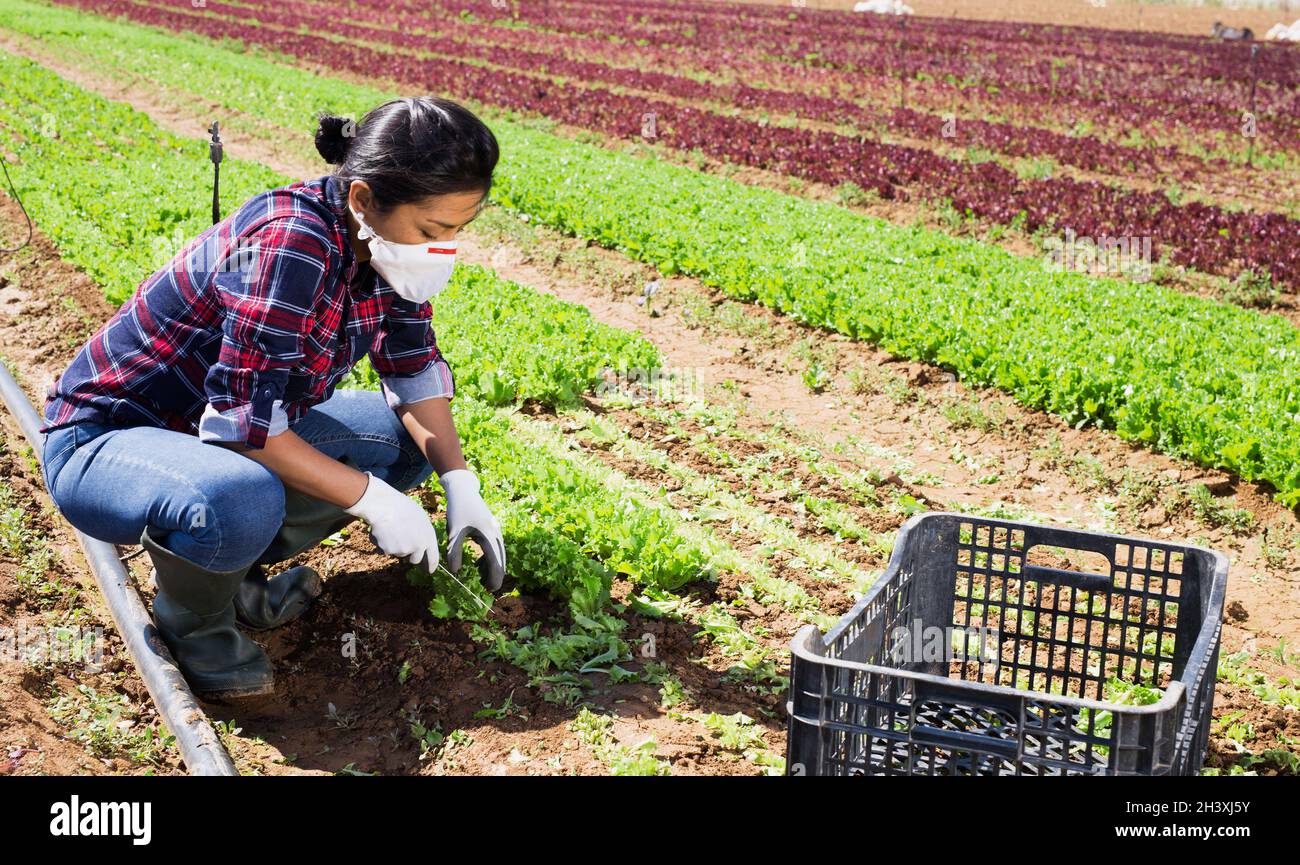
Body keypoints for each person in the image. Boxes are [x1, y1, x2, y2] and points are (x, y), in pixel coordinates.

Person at [38, 97, 507, 701]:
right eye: (430, 231)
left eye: (455, 233)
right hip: (108, 440)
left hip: (216, 435)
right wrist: (372, 501)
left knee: (401, 445)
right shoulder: (292, 243)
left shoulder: (387, 252)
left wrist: (459, 483)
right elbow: (242, 426)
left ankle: (230, 573)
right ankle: (196, 623)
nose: (440, 250)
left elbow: (412, 369)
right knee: (241, 493)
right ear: (363, 199)